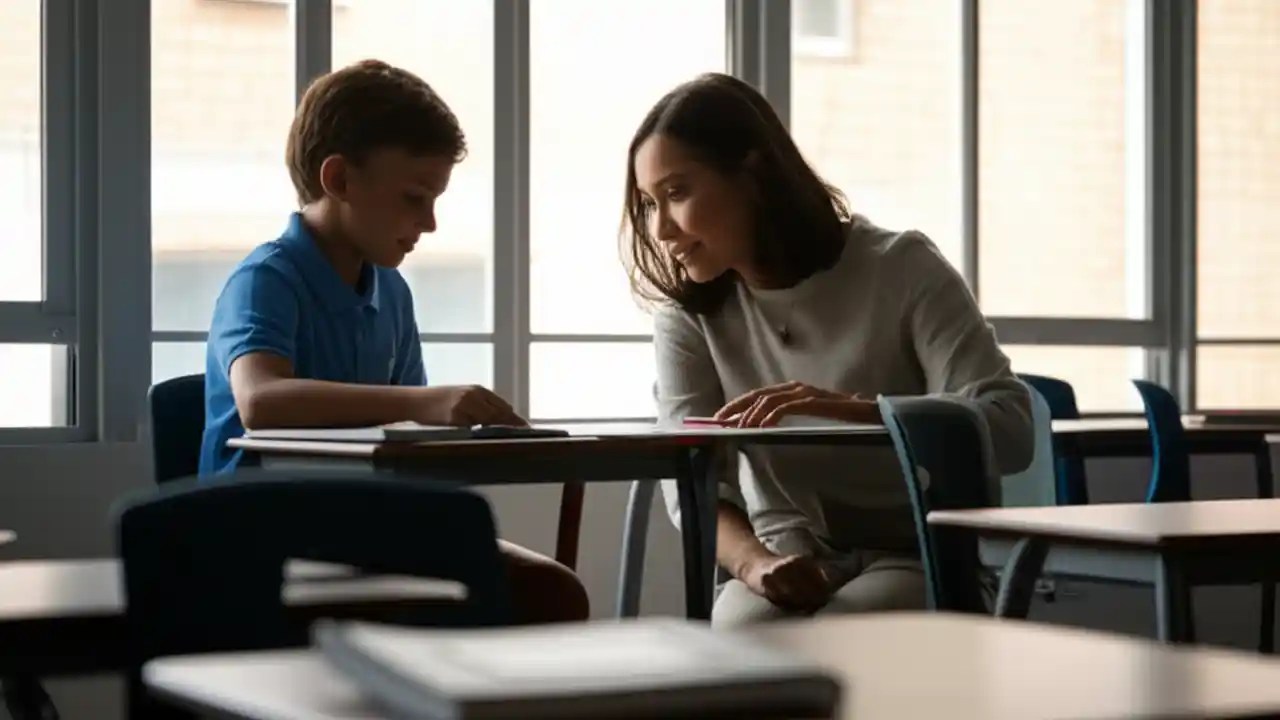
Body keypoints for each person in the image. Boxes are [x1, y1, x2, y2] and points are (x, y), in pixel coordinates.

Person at [622, 72, 1033, 628]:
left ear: (754, 172)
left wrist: (852, 409)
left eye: (676, 193)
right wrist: (757, 567)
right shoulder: (688, 313)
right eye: (650, 203)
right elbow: (691, 481)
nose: (663, 230)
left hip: (919, 554)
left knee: (849, 633)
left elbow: (1011, 429)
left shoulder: (901, 267)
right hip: (782, 553)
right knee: (746, 631)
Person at [199, 59, 588, 624]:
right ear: (339, 180)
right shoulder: (266, 279)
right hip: (262, 534)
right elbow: (260, 401)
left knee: (551, 592)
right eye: (413, 197)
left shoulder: (392, 292)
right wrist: (424, 403)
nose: (429, 223)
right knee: (504, 591)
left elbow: (408, 445)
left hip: (357, 526)